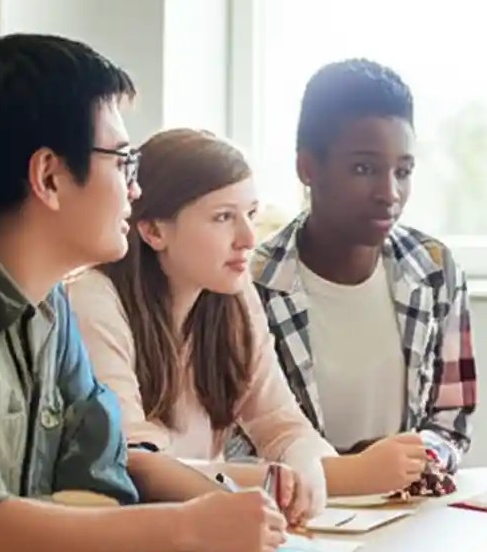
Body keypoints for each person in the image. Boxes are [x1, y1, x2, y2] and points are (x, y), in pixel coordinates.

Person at [0, 34, 284, 552]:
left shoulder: (49, 304)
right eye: (123, 162)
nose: (135, 191)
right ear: (49, 177)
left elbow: (101, 482)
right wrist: (186, 527)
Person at [69, 128, 428, 522]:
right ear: (154, 230)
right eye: (223, 217)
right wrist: (344, 476)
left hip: (212, 529)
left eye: (251, 214)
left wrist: (307, 469)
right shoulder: (93, 300)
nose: (247, 238)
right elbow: (136, 464)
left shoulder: (233, 295)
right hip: (138, 533)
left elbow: (282, 425)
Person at [252, 58, 475, 496]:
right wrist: (352, 470)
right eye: (363, 169)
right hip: (296, 517)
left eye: (403, 171)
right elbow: (234, 444)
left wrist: (415, 459)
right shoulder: (253, 285)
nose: (389, 193)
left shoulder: (435, 269)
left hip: (408, 513)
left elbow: (452, 422)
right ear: (307, 167)